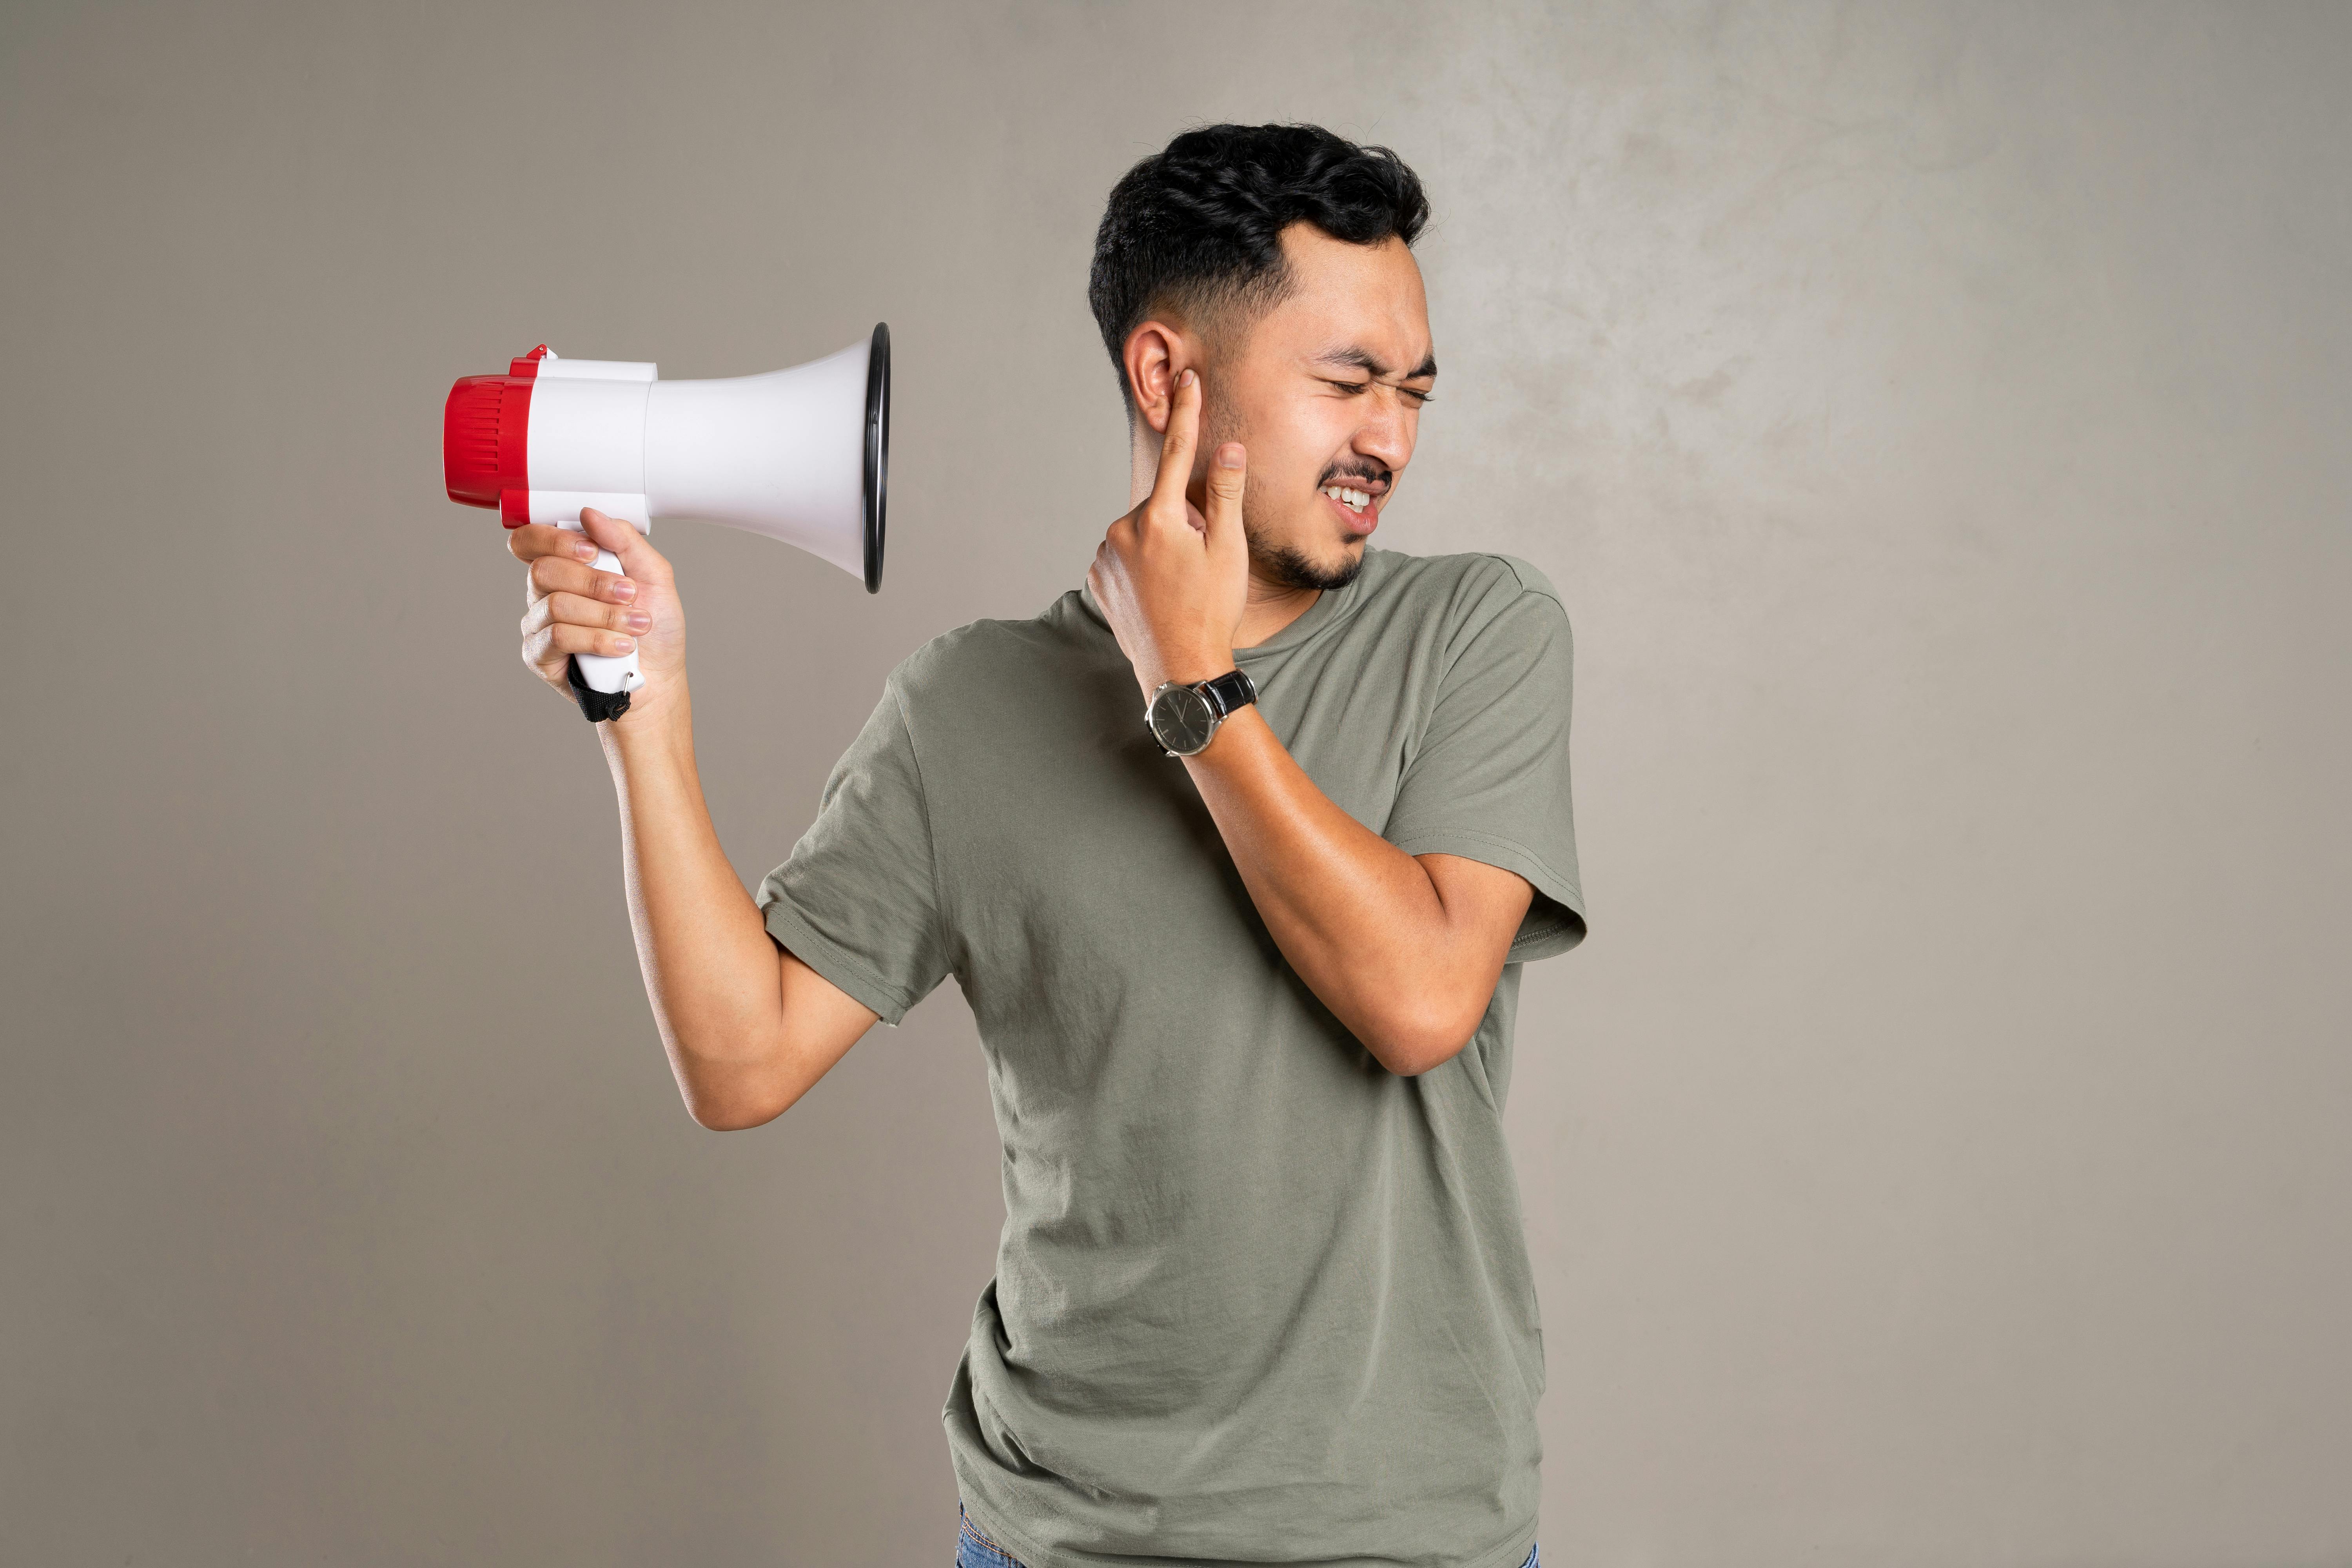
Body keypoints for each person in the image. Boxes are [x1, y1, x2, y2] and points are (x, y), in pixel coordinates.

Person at [506, 123, 1584, 1568]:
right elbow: (739, 1058)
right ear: (1166, 376)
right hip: (1059, 1537)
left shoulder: (1479, 631)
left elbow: (1418, 1000)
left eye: (1411, 390)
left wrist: (1190, 686)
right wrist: (644, 706)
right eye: (1346, 383)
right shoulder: (974, 703)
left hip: (1411, 1540)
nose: (1388, 437)